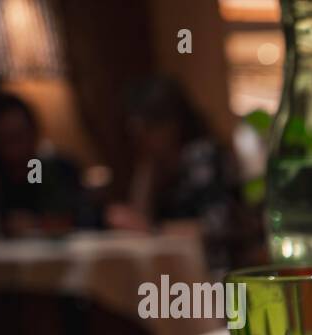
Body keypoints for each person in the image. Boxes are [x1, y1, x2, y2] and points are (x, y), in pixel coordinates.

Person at [105, 77, 247, 272]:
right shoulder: (159, 164)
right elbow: (140, 215)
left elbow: (219, 225)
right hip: (172, 272)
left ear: (173, 123)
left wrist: (152, 229)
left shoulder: (202, 155)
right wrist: (147, 170)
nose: (142, 140)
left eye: (147, 130)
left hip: (213, 273)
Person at [0, 90, 92, 237]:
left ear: (34, 132)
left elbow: (84, 219)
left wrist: (37, 224)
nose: (14, 149)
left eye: (18, 136)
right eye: (4, 139)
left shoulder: (57, 169)